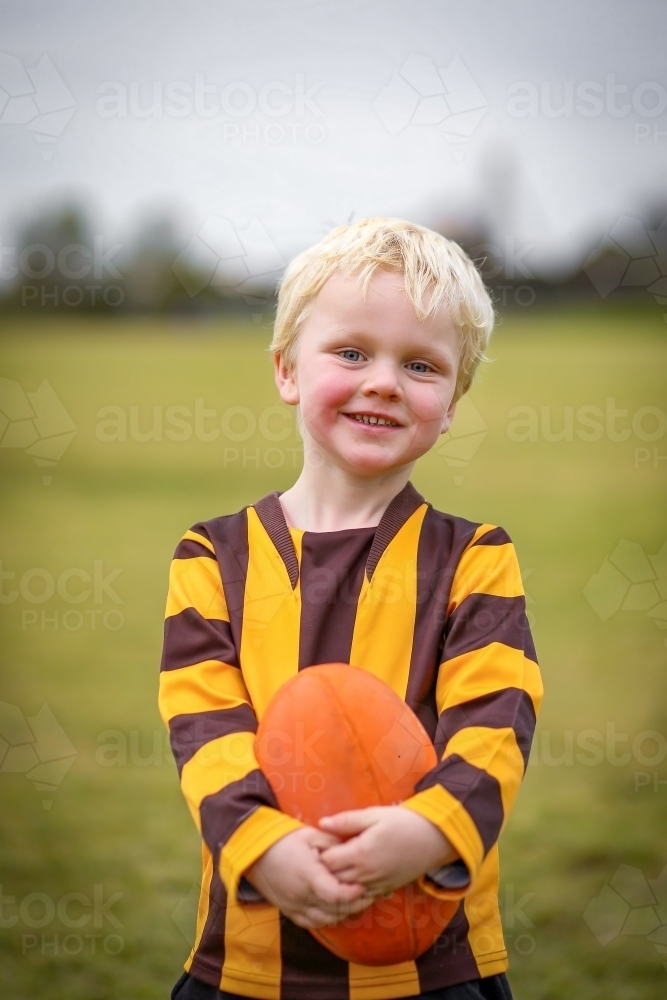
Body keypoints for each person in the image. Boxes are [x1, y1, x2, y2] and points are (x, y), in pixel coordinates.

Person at [159, 218, 542, 1000]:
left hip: (430, 960)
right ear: (286, 370)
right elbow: (203, 729)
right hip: (250, 961)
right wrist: (262, 845)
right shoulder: (211, 557)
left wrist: (429, 830)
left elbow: (498, 720)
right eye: (350, 352)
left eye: (422, 365)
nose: (383, 382)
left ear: (453, 403)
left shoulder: (474, 558)